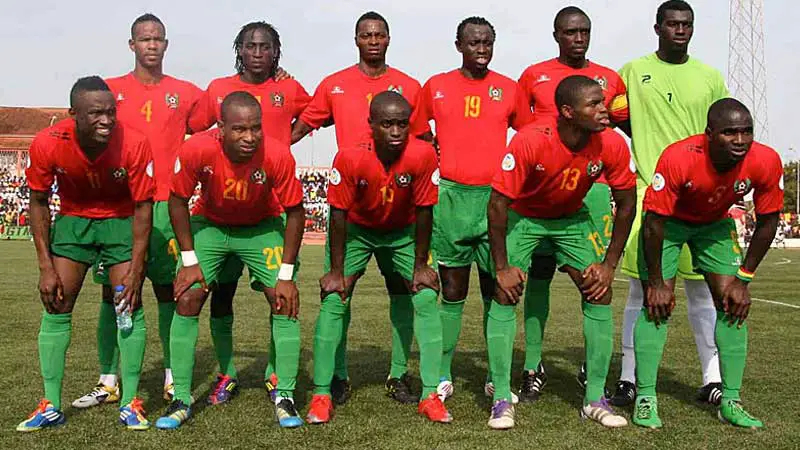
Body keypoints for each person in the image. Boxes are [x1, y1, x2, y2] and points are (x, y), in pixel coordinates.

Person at [291, 11, 427, 404]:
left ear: (388, 38)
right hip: (351, 208)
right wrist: (273, 153)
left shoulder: (409, 86)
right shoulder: (335, 85)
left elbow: (422, 141)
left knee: (403, 291)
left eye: (379, 34)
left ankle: (398, 374)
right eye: (366, 34)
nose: (373, 40)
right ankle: (338, 374)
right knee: (339, 291)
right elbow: (302, 125)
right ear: (356, 40)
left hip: (399, 210)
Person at [486, 75, 636, 430]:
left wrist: (609, 264)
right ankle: (502, 397)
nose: (605, 110)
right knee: (505, 292)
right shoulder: (530, 141)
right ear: (568, 112)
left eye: (604, 102)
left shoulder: (612, 144)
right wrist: (502, 267)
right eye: (595, 104)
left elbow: (627, 204)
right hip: (526, 218)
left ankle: (595, 399)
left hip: (572, 220)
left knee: (599, 291)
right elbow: (497, 205)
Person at [71, 13, 202, 409]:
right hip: (120, 208)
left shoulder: (187, 92)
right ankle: (108, 379)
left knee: (168, 291)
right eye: (144, 39)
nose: (151, 45)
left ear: (166, 45)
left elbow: (230, 107)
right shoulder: (109, 91)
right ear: (132, 45)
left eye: (158, 39)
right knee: (115, 296)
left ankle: (170, 377)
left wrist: (275, 77)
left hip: (165, 205)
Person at [155, 92, 305, 429]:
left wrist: (287, 274)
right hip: (211, 226)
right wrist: (190, 260)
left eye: (255, 129)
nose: (249, 137)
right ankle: (181, 397)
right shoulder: (197, 149)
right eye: (239, 129)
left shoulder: (277, 155)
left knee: (283, 301)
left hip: (261, 227)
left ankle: (286, 395)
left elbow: (295, 211)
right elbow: (177, 200)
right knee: (189, 296)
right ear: (220, 127)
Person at [634, 99, 782, 429]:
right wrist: (657, 283)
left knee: (733, 304)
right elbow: (654, 222)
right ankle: (645, 397)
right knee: (657, 304)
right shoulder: (678, 157)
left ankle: (730, 400)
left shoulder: (765, 159)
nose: (740, 140)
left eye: (746, 132)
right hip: (668, 225)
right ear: (709, 134)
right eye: (730, 133)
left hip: (715, 224)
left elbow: (768, 221)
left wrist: (743, 279)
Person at [18, 76, 155, 431]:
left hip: (121, 220)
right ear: (73, 114)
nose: (106, 121)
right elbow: (37, 202)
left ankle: (130, 402)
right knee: (57, 302)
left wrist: (137, 268)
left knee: (128, 305)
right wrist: (45, 266)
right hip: (74, 221)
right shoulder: (48, 143)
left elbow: (143, 206)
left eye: (111, 112)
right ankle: (50, 403)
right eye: (96, 114)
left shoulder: (135, 143)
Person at [611, 0, 731, 406]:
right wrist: (638, 134)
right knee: (639, 290)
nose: (680, 30)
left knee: (702, 291)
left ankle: (712, 378)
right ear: (657, 27)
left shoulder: (710, 77)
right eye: (673, 24)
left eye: (687, 24)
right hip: (651, 192)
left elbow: (724, 131)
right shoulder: (632, 70)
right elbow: (613, 112)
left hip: (699, 197)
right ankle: (629, 377)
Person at [306, 91, 450, 424]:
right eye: (388, 124)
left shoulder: (423, 155)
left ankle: (429, 394)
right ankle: (323, 393)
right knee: (334, 297)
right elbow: (338, 214)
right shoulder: (350, 157)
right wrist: (337, 272)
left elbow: (426, 210)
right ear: (371, 125)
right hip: (357, 230)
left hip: (404, 232)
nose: (396, 132)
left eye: (402, 124)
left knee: (426, 296)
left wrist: (421, 265)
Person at [188, 20, 311, 405]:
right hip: (222, 210)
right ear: (238, 49)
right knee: (220, 296)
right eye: (250, 46)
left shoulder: (289, 88)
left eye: (266, 47)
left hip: (270, 209)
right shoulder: (218, 89)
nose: (258, 53)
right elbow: (195, 127)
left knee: (278, 296)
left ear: (277, 52)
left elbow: (316, 113)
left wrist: (286, 140)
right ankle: (227, 372)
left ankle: (277, 374)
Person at [409, 16, 532, 403]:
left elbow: (526, 134)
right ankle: (443, 373)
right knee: (453, 290)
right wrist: (437, 149)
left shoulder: (508, 89)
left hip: (495, 200)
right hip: (452, 200)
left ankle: (498, 377)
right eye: (473, 42)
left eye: (487, 43)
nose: (481, 49)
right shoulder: (437, 86)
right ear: (459, 44)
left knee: (498, 288)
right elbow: (416, 129)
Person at [515, 5, 629, 401]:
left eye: (584, 31)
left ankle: (590, 368)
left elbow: (626, 125)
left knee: (594, 282)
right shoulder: (533, 76)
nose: (578, 38)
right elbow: (520, 125)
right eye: (570, 32)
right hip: (543, 188)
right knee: (539, 273)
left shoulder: (610, 79)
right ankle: (533, 364)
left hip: (591, 189)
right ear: (556, 35)